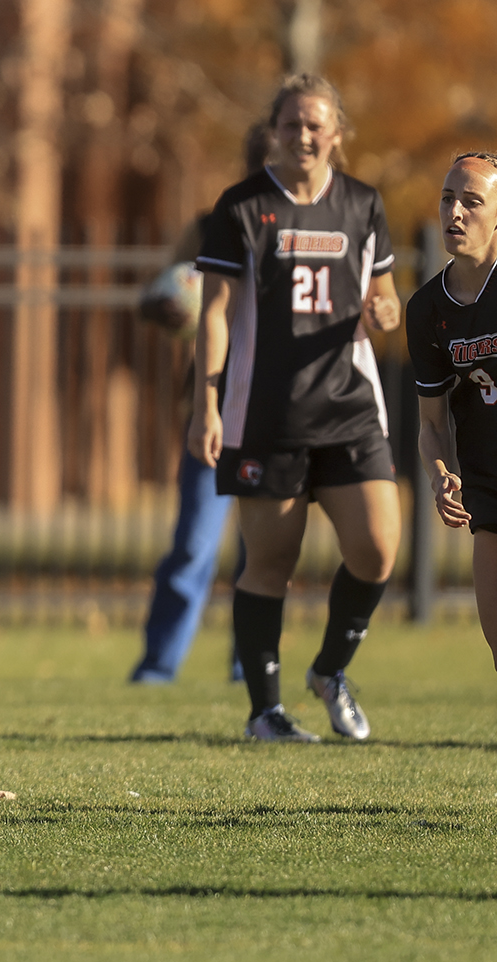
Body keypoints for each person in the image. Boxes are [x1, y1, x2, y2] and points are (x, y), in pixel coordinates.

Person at [189, 74, 402, 742]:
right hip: (267, 414)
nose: (303, 136)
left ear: (337, 133)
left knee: (377, 550)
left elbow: (386, 296)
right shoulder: (242, 207)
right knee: (270, 563)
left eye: (315, 125)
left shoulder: (363, 205)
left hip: (349, 407)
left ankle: (331, 670)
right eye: (291, 124)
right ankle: (265, 712)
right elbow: (215, 313)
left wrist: (387, 310)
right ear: (273, 131)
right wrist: (207, 404)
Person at [129, 123, 271, 684]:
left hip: (276, 414)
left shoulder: (311, 232)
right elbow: (161, 292)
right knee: (192, 546)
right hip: (212, 410)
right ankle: (158, 667)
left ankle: (249, 665)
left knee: (261, 552)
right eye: (259, 162)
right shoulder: (211, 227)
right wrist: (165, 305)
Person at [410, 152, 497, 669]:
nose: (455, 213)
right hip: (487, 488)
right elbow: (429, 421)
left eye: (472, 201)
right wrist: (441, 472)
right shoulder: (426, 309)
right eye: (447, 199)